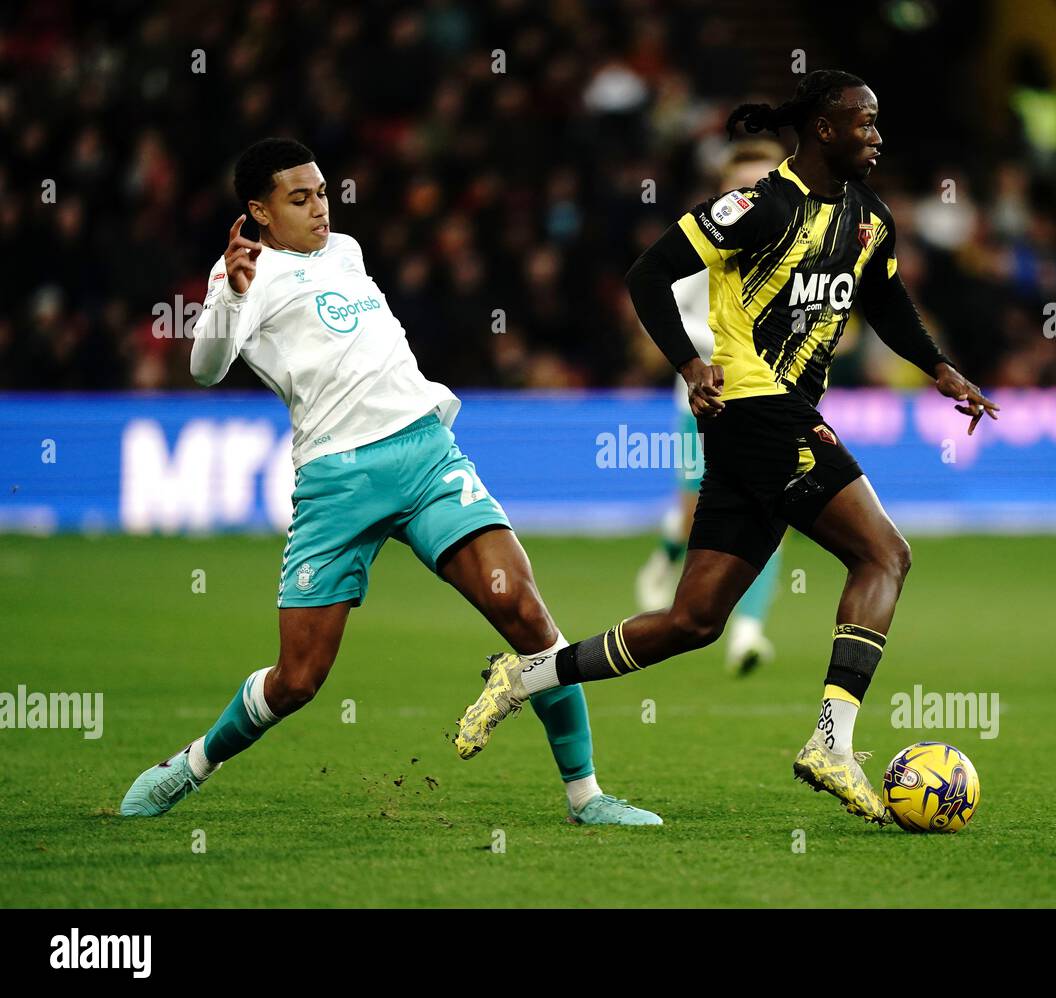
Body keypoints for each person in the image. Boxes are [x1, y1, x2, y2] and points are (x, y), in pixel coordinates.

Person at [453, 72, 997, 825]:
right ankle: (832, 743)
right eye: (863, 122)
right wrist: (687, 361)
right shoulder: (759, 205)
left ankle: (525, 676)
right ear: (824, 129)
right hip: (754, 407)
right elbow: (648, 274)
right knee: (885, 555)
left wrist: (938, 367)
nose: (877, 135)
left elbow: (885, 301)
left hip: (773, 421)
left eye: (878, 123)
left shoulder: (869, 219)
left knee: (692, 620)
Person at [119, 138, 660, 827]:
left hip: (427, 456)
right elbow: (203, 368)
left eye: (322, 192)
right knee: (298, 681)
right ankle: (191, 766)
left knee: (524, 611)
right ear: (257, 211)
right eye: (299, 198)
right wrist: (226, 293)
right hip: (338, 484)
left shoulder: (345, 251)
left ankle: (587, 797)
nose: (319, 208)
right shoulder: (243, 279)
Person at [634, 138, 786, 676]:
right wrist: (726, 342)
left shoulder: (795, 241)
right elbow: (666, 309)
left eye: (764, 181)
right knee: (695, 514)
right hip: (702, 400)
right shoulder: (705, 242)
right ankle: (665, 555)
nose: (753, 192)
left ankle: (747, 633)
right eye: (742, 184)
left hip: (769, 403)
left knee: (769, 508)